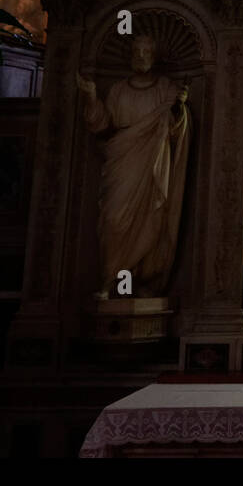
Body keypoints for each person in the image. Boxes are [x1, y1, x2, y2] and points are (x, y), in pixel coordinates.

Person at [78, 35, 191, 298]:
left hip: (153, 163)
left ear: (154, 56)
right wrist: (91, 97)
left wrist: (179, 107)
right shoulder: (118, 90)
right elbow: (101, 125)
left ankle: (141, 280)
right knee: (113, 218)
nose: (141, 55)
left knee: (152, 218)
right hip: (123, 159)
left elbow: (176, 130)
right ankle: (109, 281)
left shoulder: (165, 88)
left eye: (146, 50)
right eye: (136, 50)